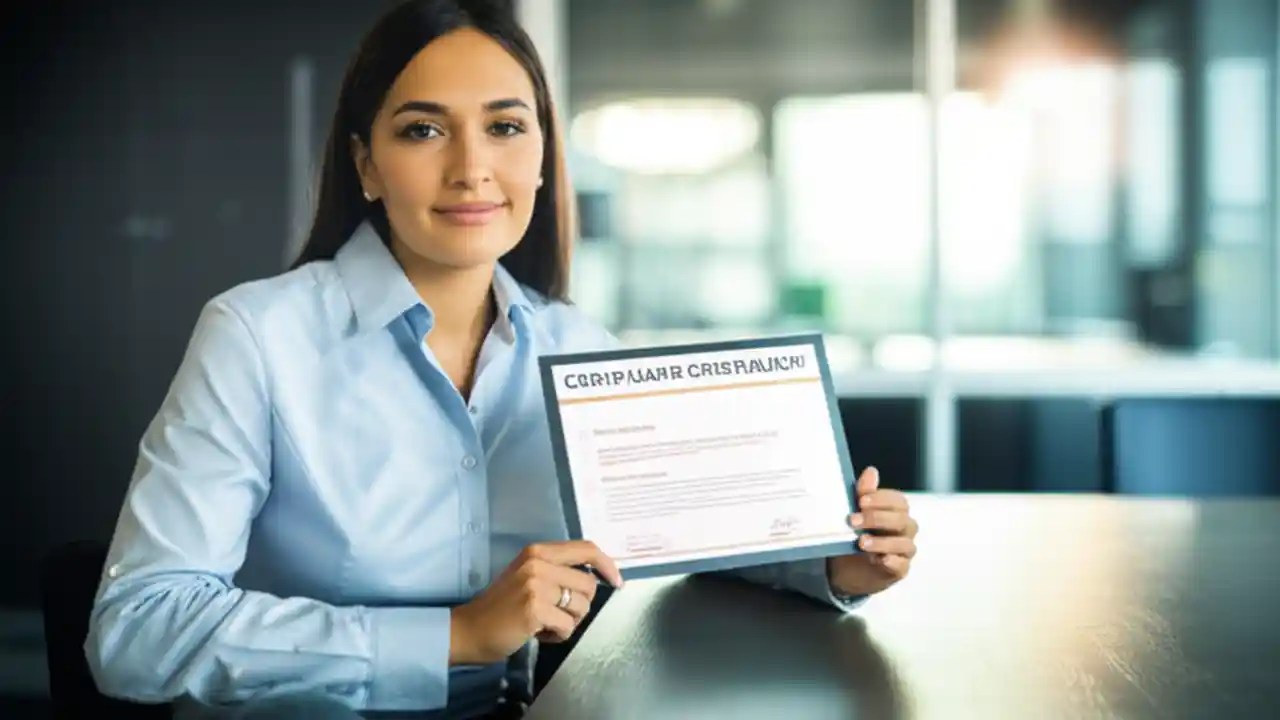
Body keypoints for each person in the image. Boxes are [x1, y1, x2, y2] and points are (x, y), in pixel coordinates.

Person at [84, 1, 920, 718]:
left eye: (506, 127)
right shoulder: (256, 337)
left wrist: (832, 560)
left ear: (542, 153)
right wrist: (455, 637)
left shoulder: (579, 348)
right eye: (422, 130)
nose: (472, 168)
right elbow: (137, 632)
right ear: (367, 163)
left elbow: (685, 531)